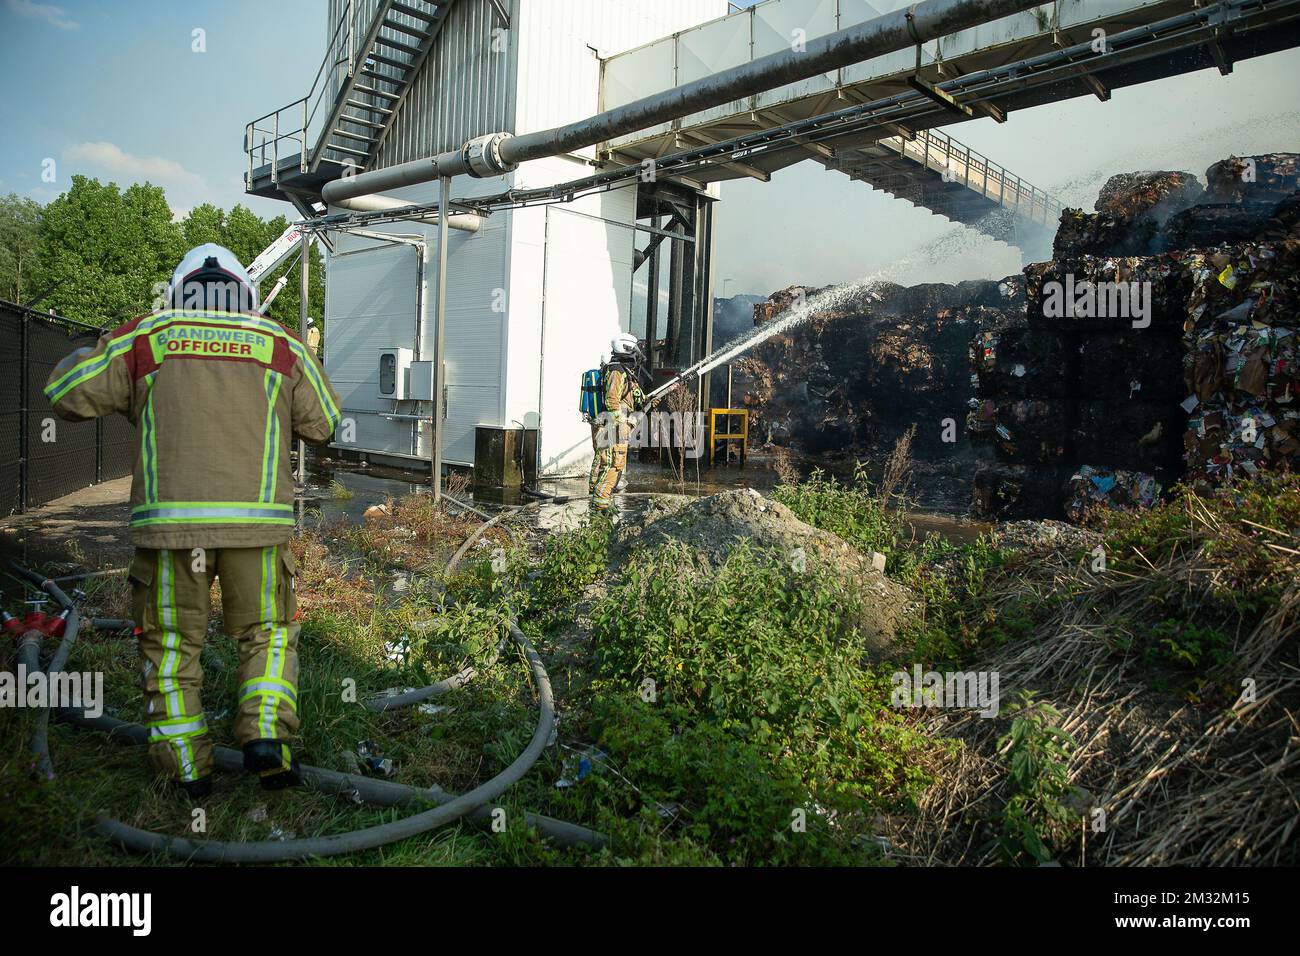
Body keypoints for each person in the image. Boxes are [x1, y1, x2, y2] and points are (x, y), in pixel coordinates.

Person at [43, 243, 341, 798]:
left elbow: (64, 392)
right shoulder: (279, 344)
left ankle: (185, 768)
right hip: (258, 529)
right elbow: (325, 422)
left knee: (173, 643)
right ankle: (267, 739)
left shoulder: (146, 338)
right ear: (244, 293)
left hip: (169, 530)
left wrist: (107, 351)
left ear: (180, 291)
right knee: (269, 634)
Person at [588, 333, 646, 512]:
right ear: (626, 348)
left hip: (617, 424)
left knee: (608, 461)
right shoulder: (617, 370)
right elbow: (612, 399)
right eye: (635, 349)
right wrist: (622, 421)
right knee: (614, 463)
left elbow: (630, 398)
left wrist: (642, 399)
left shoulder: (623, 370)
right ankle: (600, 507)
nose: (637, 354)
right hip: (616, 426)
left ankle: (600, 500)